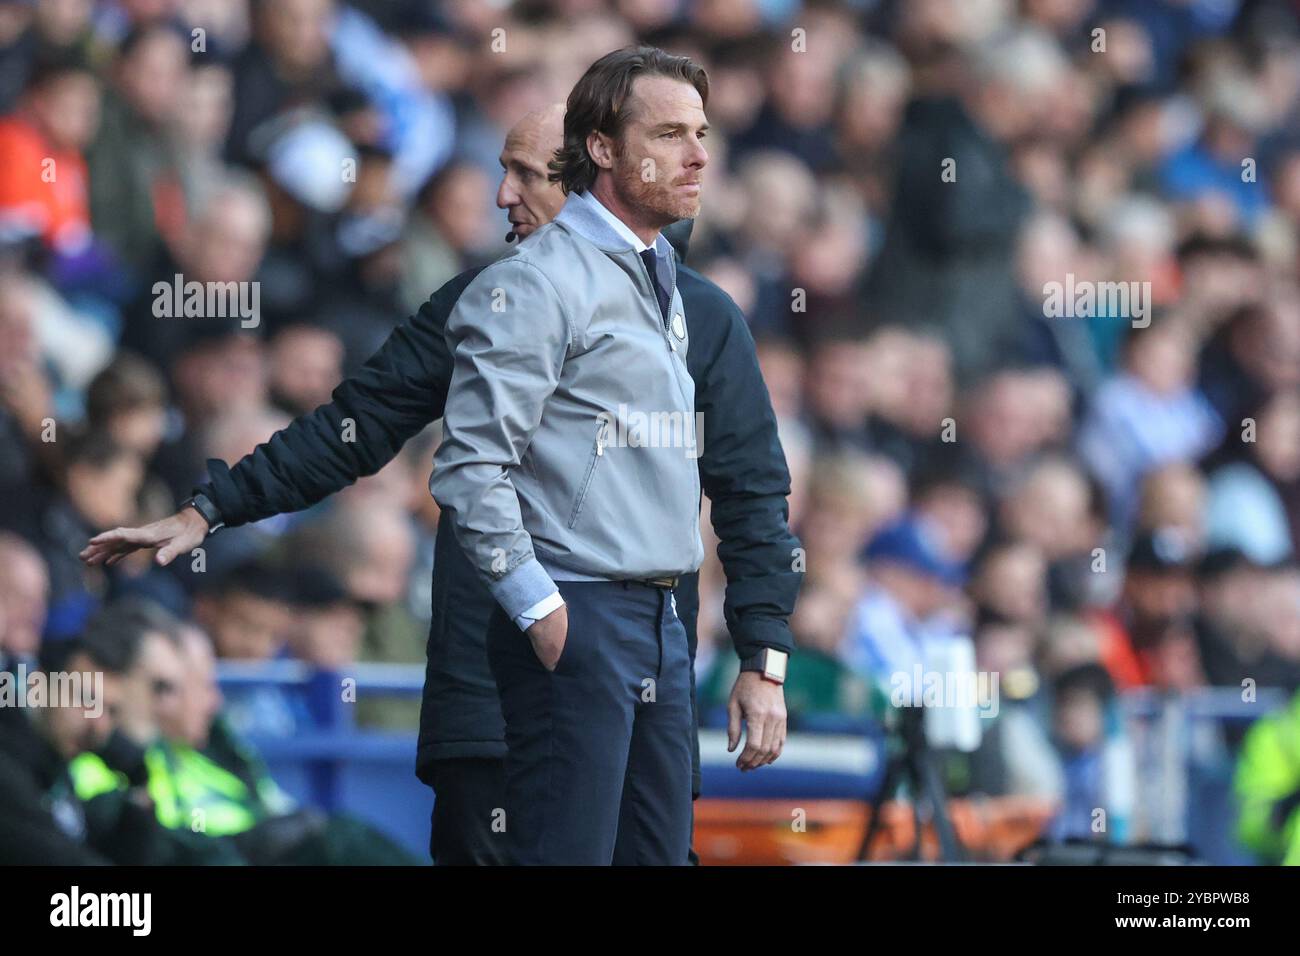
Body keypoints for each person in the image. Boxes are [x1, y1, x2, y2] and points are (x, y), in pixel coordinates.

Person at [82, 53, 800, 865]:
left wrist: (762, 652)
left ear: (582, 178)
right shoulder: (486, 298)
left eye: (526, 175)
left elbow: (751, 494)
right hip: (492, 690)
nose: (503, 196)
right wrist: (210, 507)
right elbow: (356, 426)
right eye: (501, 172)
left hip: (627, 681)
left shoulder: (700, 319)